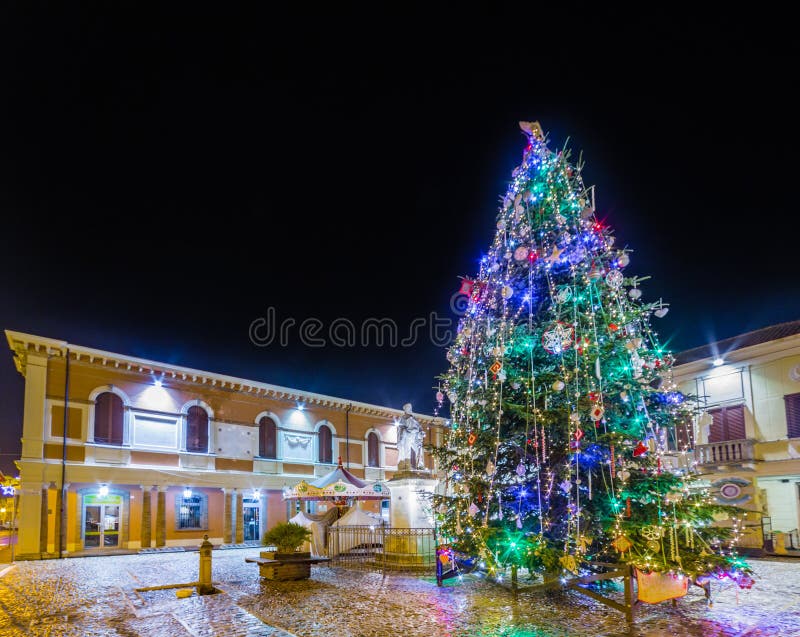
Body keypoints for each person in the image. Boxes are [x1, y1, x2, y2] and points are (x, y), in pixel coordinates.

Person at [397, 403, 425, 470]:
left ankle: (420, 464)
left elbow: (419, 427)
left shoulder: (414, 418)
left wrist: (421, 432)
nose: (409, 408)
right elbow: (400, 428)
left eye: (410, 407)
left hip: (415, 436)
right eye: (408, 407)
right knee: (407, 450)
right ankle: (407, 464)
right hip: (407, 435)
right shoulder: (403, 418)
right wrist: (402, 436)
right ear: (405, 409)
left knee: (419, 450)